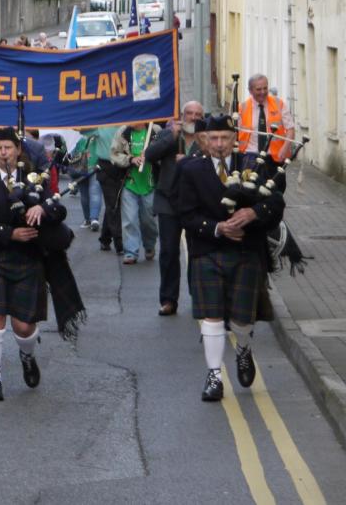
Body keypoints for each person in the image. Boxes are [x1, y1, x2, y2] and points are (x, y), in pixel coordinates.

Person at [178, 114, 285, 402]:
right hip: (208, 250)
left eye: (225, 138)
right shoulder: (191, 170)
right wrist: (218, 228)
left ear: (234, 138)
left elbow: (277, 202)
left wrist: (254, 212)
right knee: (211, 316)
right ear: (204, 139)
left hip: (246, 251)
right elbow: (185, 215)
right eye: (213, 138)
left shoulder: (253, 164)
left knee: (242, 320)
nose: (219, 144)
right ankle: (214, 376)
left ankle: (243, 347)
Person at [0, 128, 73, 401]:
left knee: (24, 327)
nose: (3, 153)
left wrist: (43, 209)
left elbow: (60, 209)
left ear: (18, 150)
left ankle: (27, 355)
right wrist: (10, 234)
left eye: (8, 148)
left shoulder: (34, 179)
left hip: (26, 257)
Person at [145, 101, 205, 315]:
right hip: (168, 201)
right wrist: (171, 136)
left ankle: (198, 297)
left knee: (197, 251)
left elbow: (212, 160)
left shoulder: (206, 138)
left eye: (198, 114)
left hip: (196, 203)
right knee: (169, 251)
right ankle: (169, 300)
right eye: (190, 113)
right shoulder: (168, 135)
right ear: (182, 115)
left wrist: (187, 159)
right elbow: (150, 155)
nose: (193, 118)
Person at [111, 121, 161, 265]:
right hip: (129, 184)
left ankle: (150, 245)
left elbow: (164, 153)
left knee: (148, 221)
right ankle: (131, 252)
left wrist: (151, 154)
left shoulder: (155, 130)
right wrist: (131, 159)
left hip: (150, 185)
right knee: (129, 220)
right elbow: (114, 154)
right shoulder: (123, 131)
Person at [237, 74, 295, 170]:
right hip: (250, 156)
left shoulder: (279, 104)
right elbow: (233, 134)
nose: (263, 92)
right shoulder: (242, 108)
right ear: (250, 90)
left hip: (275, 157)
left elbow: (290, 129)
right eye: (258, 89)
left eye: (265, 88)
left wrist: (285, 148)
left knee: (276, 180)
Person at [84, 125, 125, 255]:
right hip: (106, 167)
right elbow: (83, 129)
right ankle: (119, 244)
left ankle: (105, 239)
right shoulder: (101, 125)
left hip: (123, 166)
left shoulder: (126, 124)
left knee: (113, 204)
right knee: (113, 205)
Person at [67, 134, 102, 231]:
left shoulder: (76, 134)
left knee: (84, 194)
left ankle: (87, 220)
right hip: (95, 165)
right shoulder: (98, 132)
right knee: (95, 192)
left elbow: (71, 152)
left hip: (80, 166)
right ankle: (94, 219)